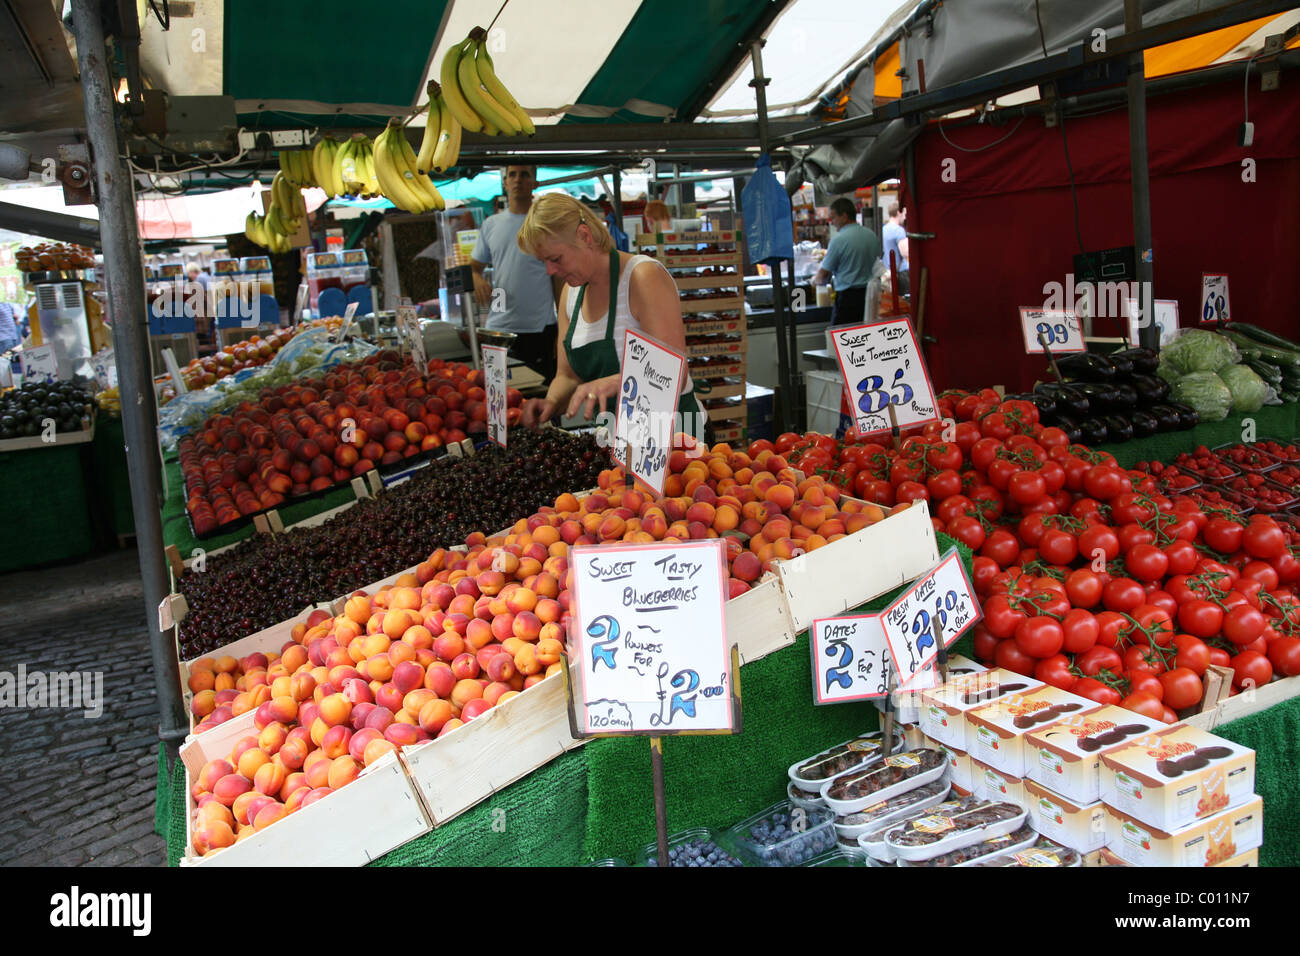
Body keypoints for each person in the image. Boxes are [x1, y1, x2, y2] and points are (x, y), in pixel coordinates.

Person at [514, 192, 705, 445]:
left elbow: (673, 371)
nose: (550, 271)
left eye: (556, 259)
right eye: (544, 262)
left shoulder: (642, 277)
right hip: (618, 444)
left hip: (677, 441)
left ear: (584, 236)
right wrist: (551, 403)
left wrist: (615, 383)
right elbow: (568, 376)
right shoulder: (570, 295)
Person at [471, 165, 559, 382]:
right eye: (512, 174)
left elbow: (558, 279)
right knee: (499, 400)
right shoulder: (491, 225)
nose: (518, 179)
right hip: (499, 329)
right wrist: (477, 279)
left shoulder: (545, 225)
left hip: (539, 329)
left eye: (525, 174)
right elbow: (474, 267)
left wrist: (563, 330)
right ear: (505, 182)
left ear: (535, 184)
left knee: (543, 401)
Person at [814, 198, 880, 326]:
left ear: (844, 216)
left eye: (833, 218)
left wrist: (813, 281)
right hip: (870, 296)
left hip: (848, 300)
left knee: (841, 339)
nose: (832, 223)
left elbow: (822, 275)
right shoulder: (871, 235)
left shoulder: (838, 241)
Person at [880, 203, 910, 296]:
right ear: (898, 213)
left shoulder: (883, 229)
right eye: (904, 213)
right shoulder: (898, 230)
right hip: (900, 274)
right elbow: (906, 252)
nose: (905, 217)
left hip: (887, 274)